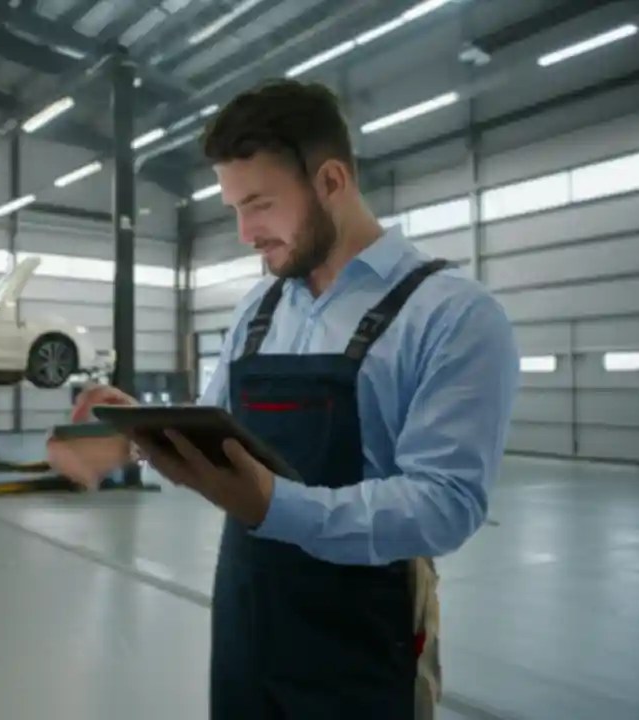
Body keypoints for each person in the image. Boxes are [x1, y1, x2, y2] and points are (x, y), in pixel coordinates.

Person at [73, 79, 519, 718]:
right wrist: (143, 436)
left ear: (331, 180)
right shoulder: (261, 305)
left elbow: (445, 504)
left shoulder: (451, 315)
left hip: (366, 635)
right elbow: (216, 435)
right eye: (233, 208)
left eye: (259, 204)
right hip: (246, 623)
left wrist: (274, 505)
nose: (246, 232)